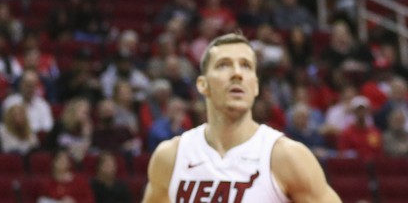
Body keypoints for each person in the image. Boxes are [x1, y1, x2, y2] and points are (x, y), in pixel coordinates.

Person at [141, 32, 341, 203]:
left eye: (245, 66)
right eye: (223, 65)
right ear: (202, 84)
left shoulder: (285, 156)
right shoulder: (171, 157)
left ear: (255, 86)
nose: (237, 73)